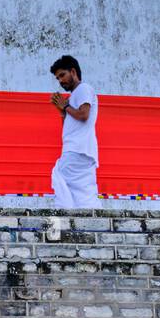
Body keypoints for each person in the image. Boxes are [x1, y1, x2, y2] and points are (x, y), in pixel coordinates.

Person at [49, 55, 100, 208]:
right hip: (81, 150)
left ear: (73, 71)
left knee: (59, 175)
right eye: (57, 78)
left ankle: (64, 218)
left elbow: (84, 115)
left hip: (77, 150)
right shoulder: (73, 96)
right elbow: (70, 125)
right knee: (82, 192)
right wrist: (63, 111)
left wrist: (65, 106)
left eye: (62, 75)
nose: (60, 81)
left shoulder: (83, 88)